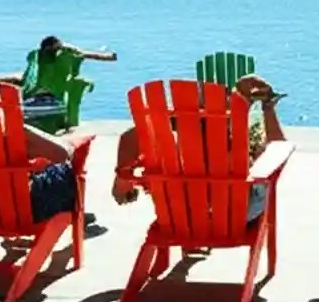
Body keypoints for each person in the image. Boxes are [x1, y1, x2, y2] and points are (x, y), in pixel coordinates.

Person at [110, 74, 286, 227]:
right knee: (260, 173)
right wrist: (268, 108)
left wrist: (123, 177)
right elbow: (278, 148)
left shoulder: (175, 131)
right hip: (236, 219)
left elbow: (128, 137)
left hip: (178, 217)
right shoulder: (237, 139)